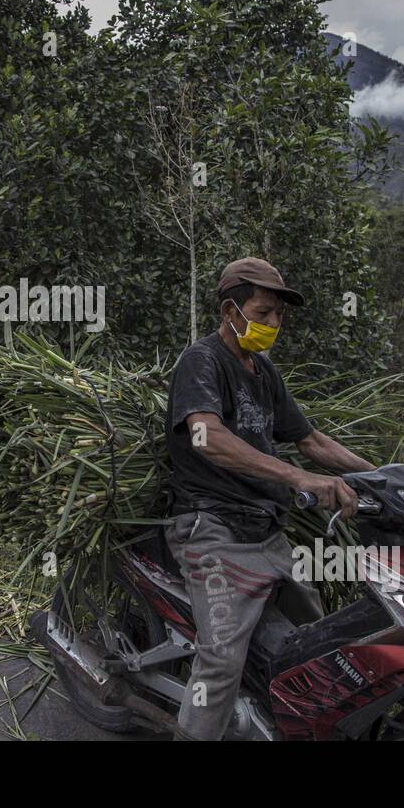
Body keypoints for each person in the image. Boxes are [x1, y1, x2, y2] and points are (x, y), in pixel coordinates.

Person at [165, 256, 376, 740]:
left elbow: (310, 440)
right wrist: (299, 479)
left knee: (319, 639)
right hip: (212, 530)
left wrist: (382, 477)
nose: (273, 325)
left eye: (279, 316)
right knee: (221, 662)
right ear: (230, 311)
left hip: (265, 531)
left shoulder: (263, 371)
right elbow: (206, 436)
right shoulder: (202, 361)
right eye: (263, 314)